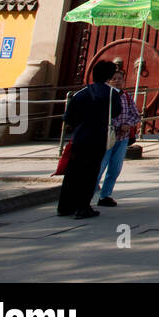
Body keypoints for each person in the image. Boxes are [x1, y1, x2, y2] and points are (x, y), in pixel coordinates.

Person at [57, 61, 124, 219]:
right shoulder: (111, 94)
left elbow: (69, 117)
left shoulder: (82, 93)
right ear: (108, 76)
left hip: (80, 137)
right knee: (90, 173)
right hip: (98, 137)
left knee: (73, 172)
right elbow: (115, 113)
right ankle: (83, 207)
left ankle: (65, 206)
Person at [95, 63, 141, 207]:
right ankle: (87, 195)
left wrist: (128, 124)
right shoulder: (106, 94)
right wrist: (116, 126)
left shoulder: (126, 96)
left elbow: (136, 115)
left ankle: (106, 195)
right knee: (99, 167)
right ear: (108, 80)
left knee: (115, 168)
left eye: (120, 78)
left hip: (122, 138)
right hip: (108, 136)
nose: (117, 81)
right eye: (114, 78)